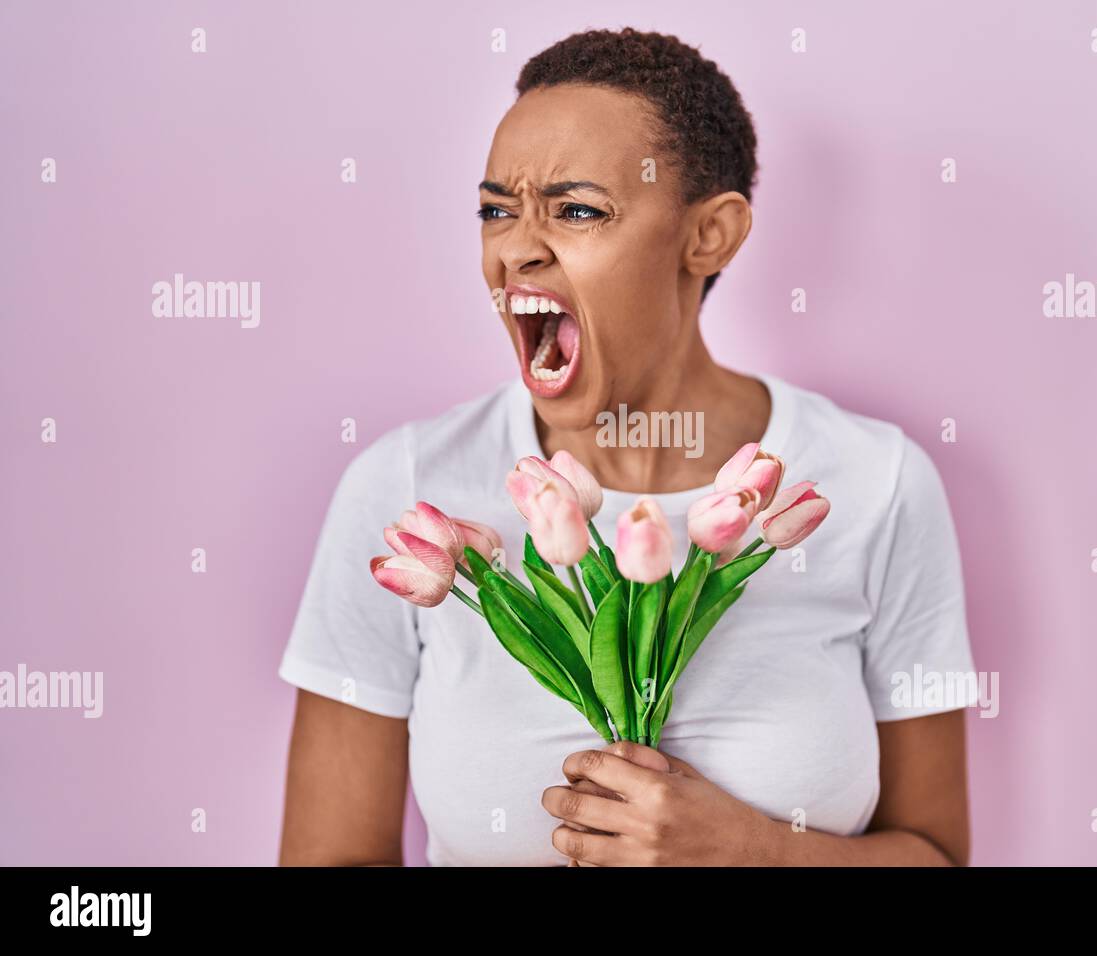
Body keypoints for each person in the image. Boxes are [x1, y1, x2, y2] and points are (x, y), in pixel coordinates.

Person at [278, 28, 975, 866]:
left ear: (709, 235)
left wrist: (751, 850)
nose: (517, 248)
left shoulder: (877, 481)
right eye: (497, 209)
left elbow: (935, 855)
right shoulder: (406, 488)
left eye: (577, 210)